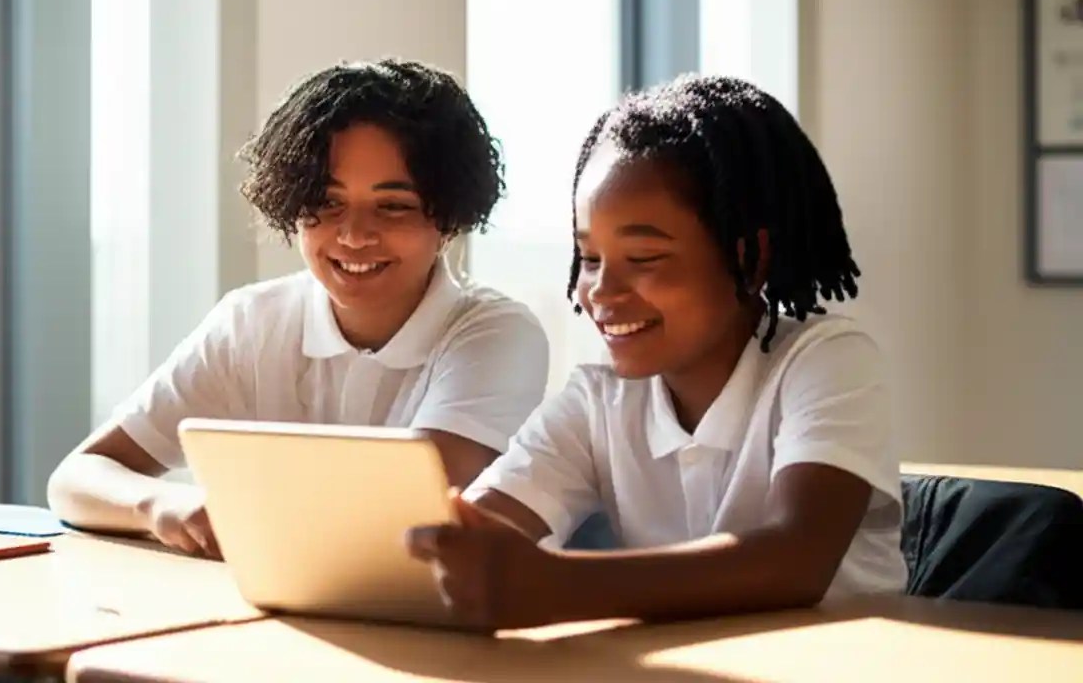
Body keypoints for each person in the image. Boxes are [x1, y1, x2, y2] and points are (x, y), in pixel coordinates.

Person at [407, 75, 907, 629]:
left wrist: (559, 585)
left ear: (749, 257)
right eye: (589, 259)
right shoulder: (600, 398)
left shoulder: (829, 359)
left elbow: (796, 561)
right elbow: (480, 525)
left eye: (643, 259)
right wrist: (446, 550)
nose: (600, 291)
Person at [48, 59, 549, 558]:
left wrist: (239, 511)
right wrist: (163, 503)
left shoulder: (495, 334)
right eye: (327, 204)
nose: (354, 235)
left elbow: (407, 513)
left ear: (449, 217)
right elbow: (76, 478)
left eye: (393, 206)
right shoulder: (251, 322)